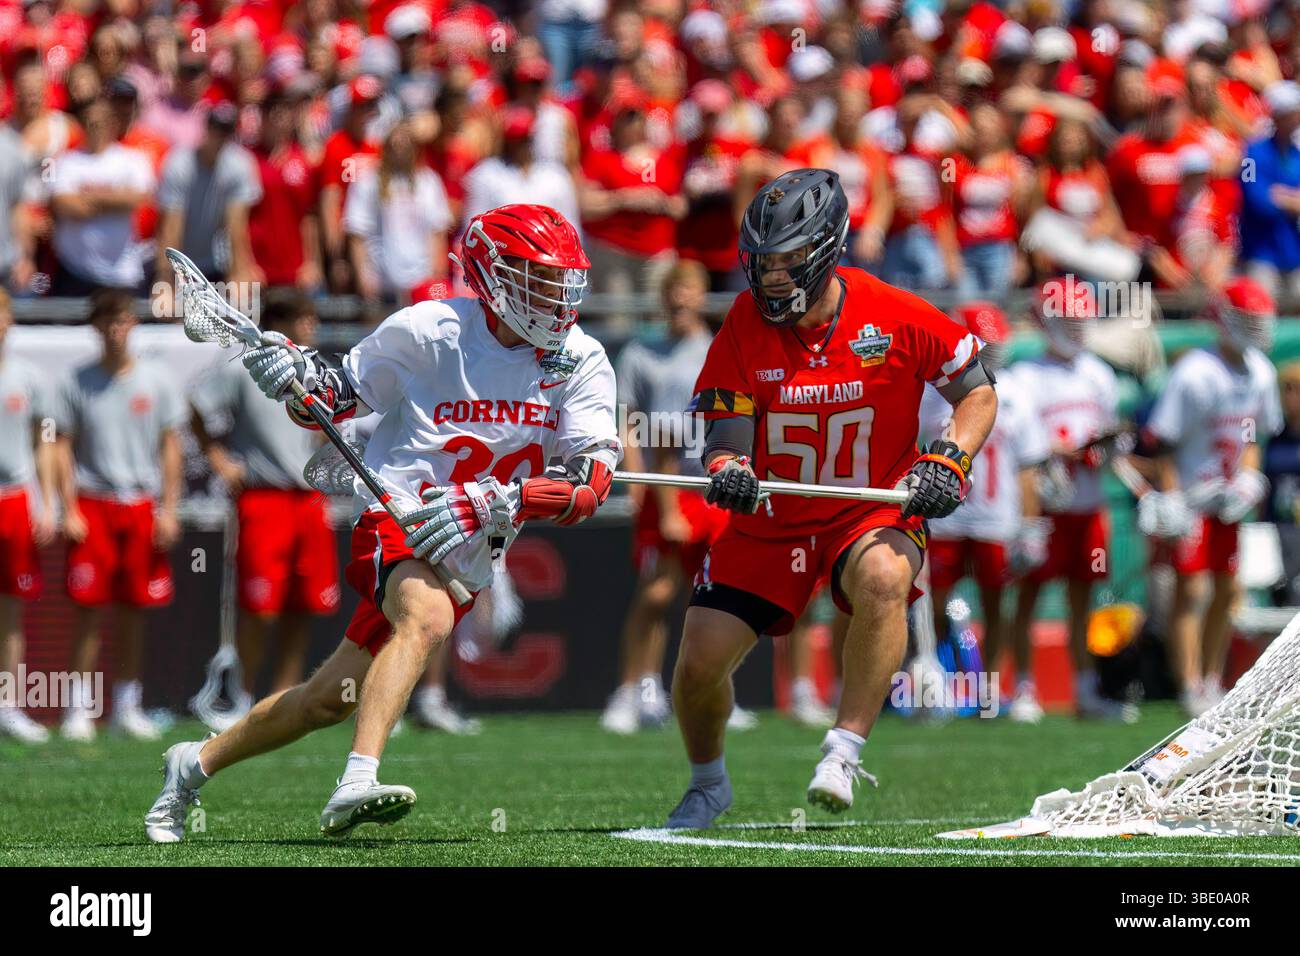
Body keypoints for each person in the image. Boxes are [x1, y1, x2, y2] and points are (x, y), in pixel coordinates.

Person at [146, 204, 620, 842]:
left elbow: (588, 484)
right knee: (426, 617)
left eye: (563, 280)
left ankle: (193, 764)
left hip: (471, 543)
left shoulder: (581, 358)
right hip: (397, 509)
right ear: (493, 274)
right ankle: (357, 781)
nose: (557, 296)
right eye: (539, 278)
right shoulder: (431, 329)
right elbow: (336, 400)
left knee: (328, 699)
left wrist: (491, 503)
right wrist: (295, 376)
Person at [665, 169, 997, 828]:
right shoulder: (743, 322)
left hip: (867, 508)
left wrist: (950, 457)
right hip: (772, 518)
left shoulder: (894, 312)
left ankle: (843, 750)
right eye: (763, 263)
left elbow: (978, 390)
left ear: (826, 252)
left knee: (884, 575)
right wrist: (730, 465)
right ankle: (707, 784)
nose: (771, 278)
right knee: (699, 664)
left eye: (788, 262)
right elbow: (725, 433)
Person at [189, 289, 339, 700]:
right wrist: (218, 457)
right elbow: (195, 404)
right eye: (304, 317)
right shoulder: (243, 368)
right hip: (264, 498)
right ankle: (242, 696)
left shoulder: (314, 367)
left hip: (309, 499)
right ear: (281, 321)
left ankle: (282, 699)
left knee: (306, 605)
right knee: (260, 607)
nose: (312, 327)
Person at [1142, 277, 1282, 716]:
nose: (1256, 328)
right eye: (1247, 319)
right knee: (1192, 590)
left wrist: (1249, 479)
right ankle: (1188, 683)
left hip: (1230, 496)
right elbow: (1162, 439)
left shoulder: (1260, 371)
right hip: (1193, 496)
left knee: (1228, 588)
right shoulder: (1196, 372)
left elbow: (1256, 434)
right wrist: (1173, 497)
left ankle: (1210, 677)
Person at [599, 259, 727, 734]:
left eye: (688, 288)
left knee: (716, 598)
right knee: (656, 593)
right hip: (666, 483)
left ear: (701, 294)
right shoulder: (639, 352)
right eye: (672, 289)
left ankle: (710, 693)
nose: (680, 298)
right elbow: (628, 422)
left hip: (712, 484)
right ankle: (632, 689)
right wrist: (638, 481)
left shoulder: (717, 349)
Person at [55, 289, 186, 741]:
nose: (115, 330)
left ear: (133, 325)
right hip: (94, 504)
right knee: (88, 612)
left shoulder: (157, 380)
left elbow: (171, 448)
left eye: (123, 320)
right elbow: (61, 447)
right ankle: (78, 707)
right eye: (107, 322)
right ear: (96, 328)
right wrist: (67, 507)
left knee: (135, 611)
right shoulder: (77, 382)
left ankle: (126, 704)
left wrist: (168, 508)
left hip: (141, 506)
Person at [917, 302, 1050, 721]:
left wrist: (1030, 524)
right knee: (932, 601)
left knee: (996, 604)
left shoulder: (1018, 394)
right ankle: (936, 682)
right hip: (946, 515)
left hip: (997, 516)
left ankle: (990, 689)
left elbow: (1028, 465)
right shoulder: (933, 392)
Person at [1006, 279, 1128, 721]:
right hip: (1045, 506)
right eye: (1067, 320)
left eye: (1081, 320)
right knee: (1029, 597)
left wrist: (1106, 447)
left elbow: (1110, 433)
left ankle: (1084, 688)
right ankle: (1022, 685)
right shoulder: (1025, 376)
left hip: (1088, 501)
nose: (1076, 328)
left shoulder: (1098, 373)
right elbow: (1022, 445)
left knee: (1085, 600)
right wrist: (1055, 455)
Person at [0, 291, 58, 743]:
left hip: (15, 500)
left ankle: (9, 705)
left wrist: (47, 501)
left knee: (11, 610)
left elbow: (45, 443)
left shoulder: (29, 378)